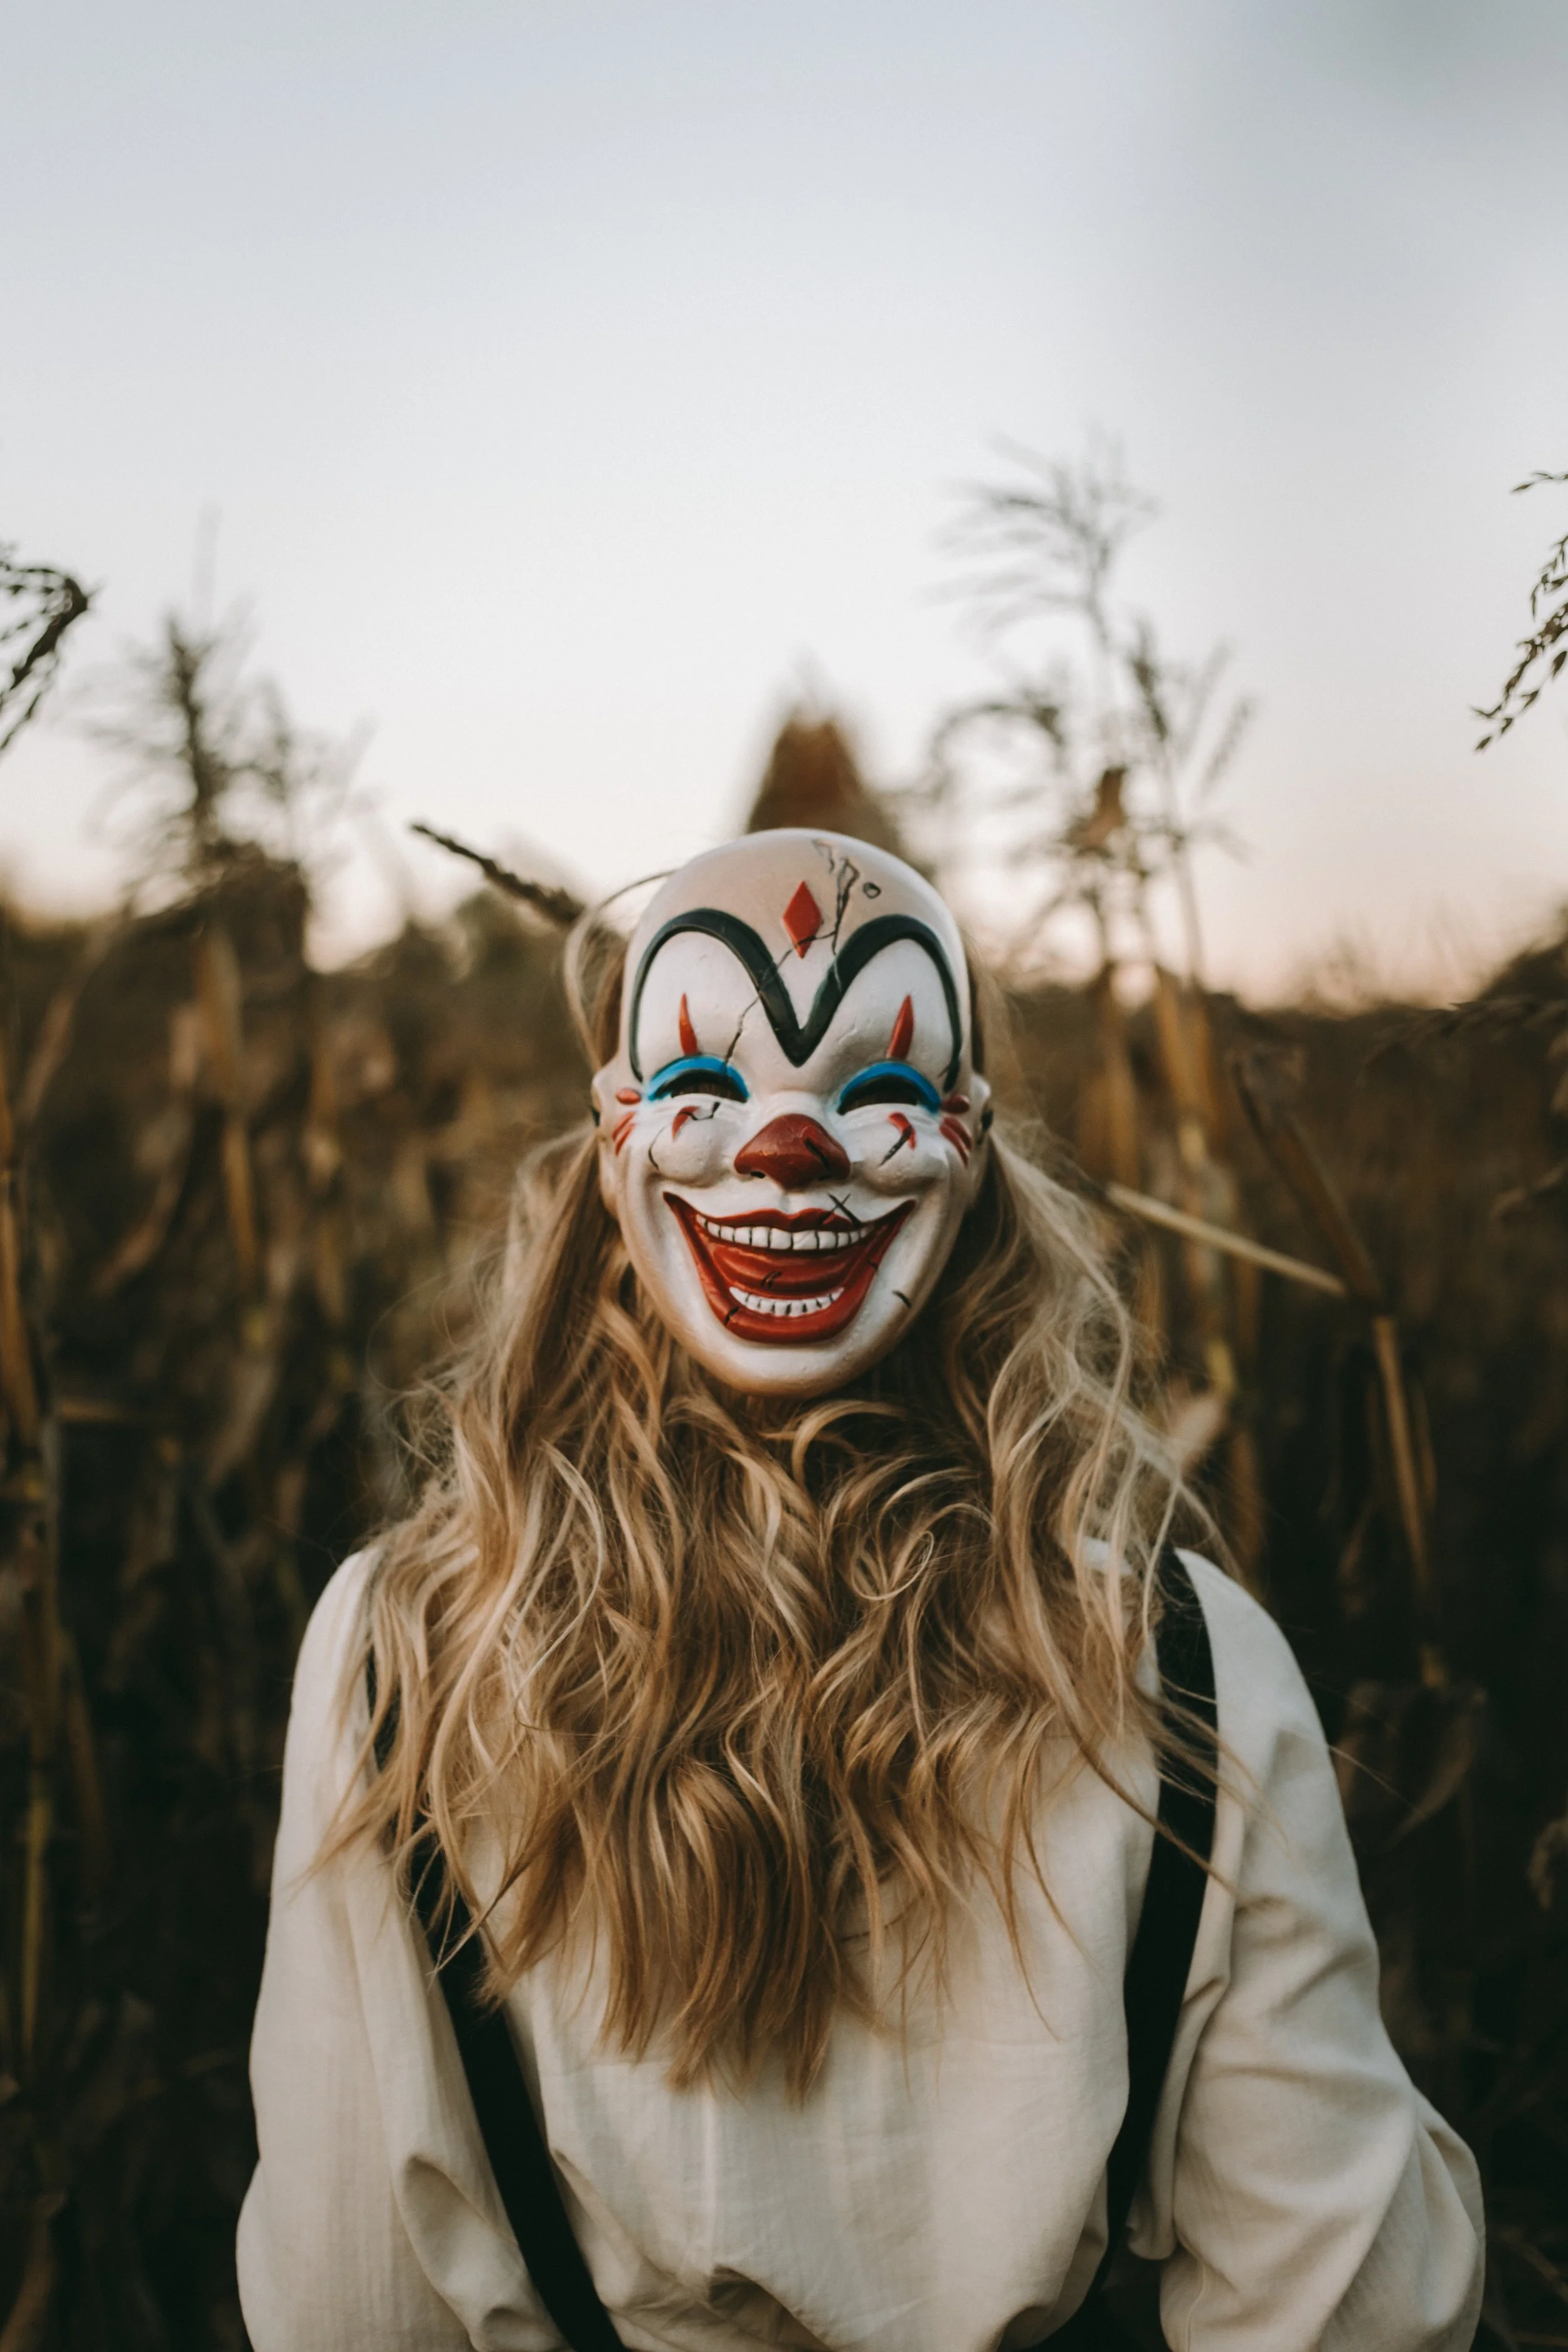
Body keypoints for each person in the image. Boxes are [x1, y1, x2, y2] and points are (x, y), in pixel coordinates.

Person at [238, 830, 1484, 2351]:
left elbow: (343, 2303)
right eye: (706, 1088)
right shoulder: (1185, 1659)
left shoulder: (398, 1652)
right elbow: (1354, 2308)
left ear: (966, 1145)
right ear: (614, 1130)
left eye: (878, 1093)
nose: (787, 1150)